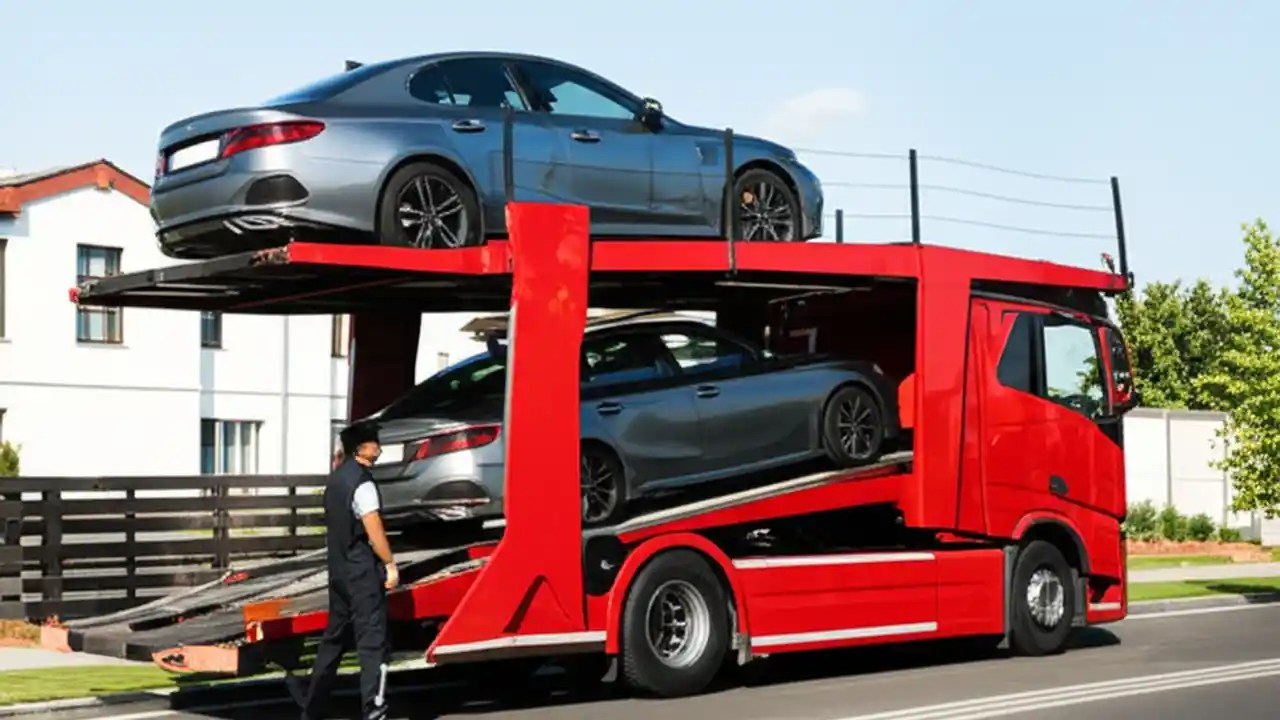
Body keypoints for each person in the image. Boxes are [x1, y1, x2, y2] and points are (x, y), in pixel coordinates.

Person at [297, 420, 399, 720]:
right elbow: (373, 527)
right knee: (373, 645)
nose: (379, 447)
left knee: (332, 643)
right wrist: (389, 563)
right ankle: (374, 709)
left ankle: (312, 709)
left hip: (338, 571)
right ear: (360, 448)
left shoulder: (336, 479)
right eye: (374, 442)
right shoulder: (362, 482)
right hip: (362, 574)